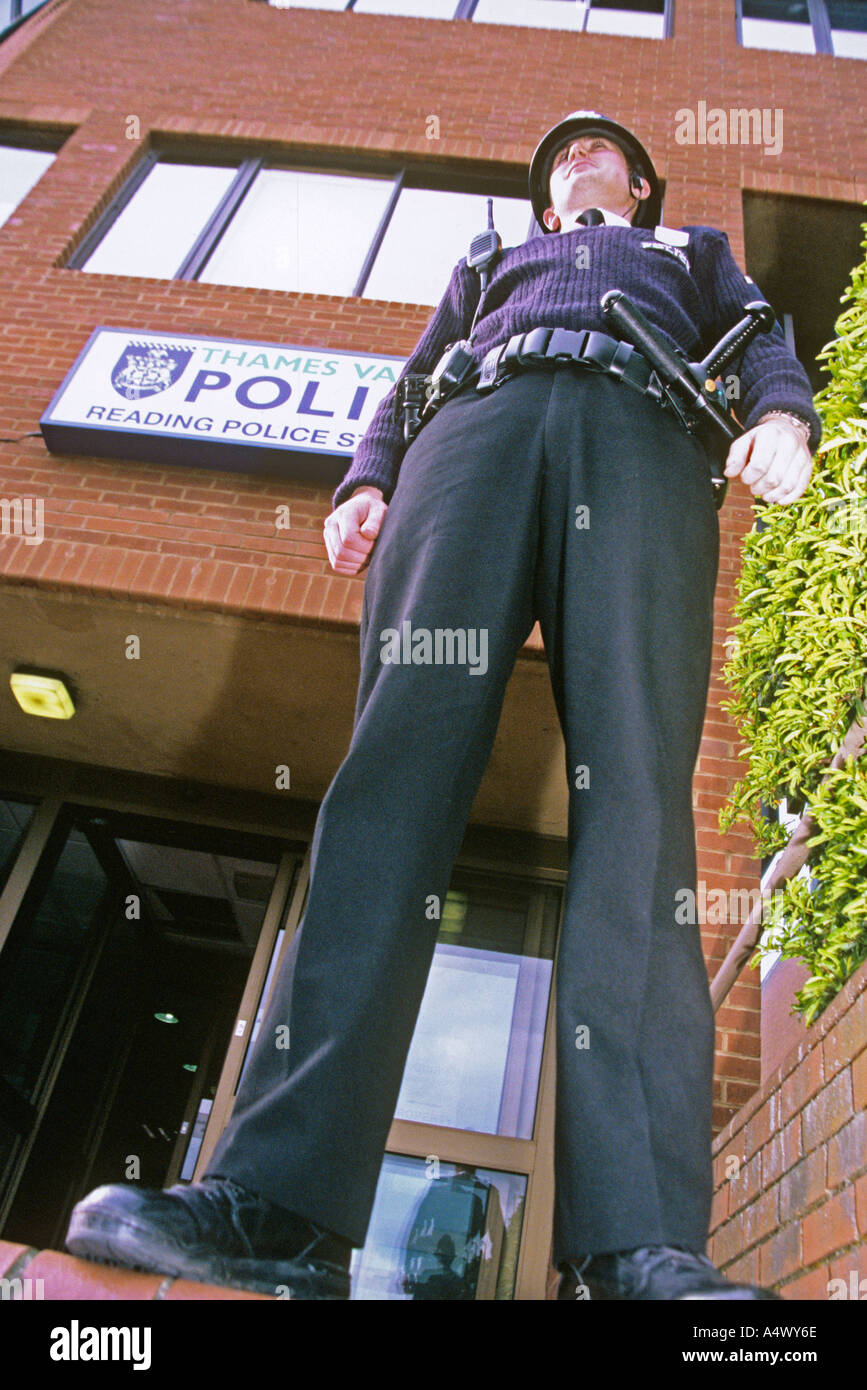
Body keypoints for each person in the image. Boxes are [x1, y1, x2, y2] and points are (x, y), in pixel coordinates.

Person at [65, 112, 820, 1301]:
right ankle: (279, 1202)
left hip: (640, 441)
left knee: (638, 813)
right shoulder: (484, 262)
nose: (576, 160)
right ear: (540, 198)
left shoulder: (691, 250)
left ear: (638, 184)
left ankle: (641, 1246)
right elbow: (418, 372)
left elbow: (765, 335)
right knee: (387, 786)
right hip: (474, 440)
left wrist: (783, 414)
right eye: (558, 156)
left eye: (598, 151)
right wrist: (368, 477)